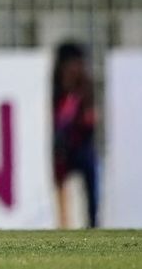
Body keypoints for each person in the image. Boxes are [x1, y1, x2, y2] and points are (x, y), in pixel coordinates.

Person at [52, 40, 99, 228]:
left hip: (81, 146)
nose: (77, 68)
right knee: (59, 175)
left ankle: (93, 223)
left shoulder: (85, 88)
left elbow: (90, 120)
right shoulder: (55, 89)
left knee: (91, 169)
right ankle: (63, 222)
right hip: (60, 148)